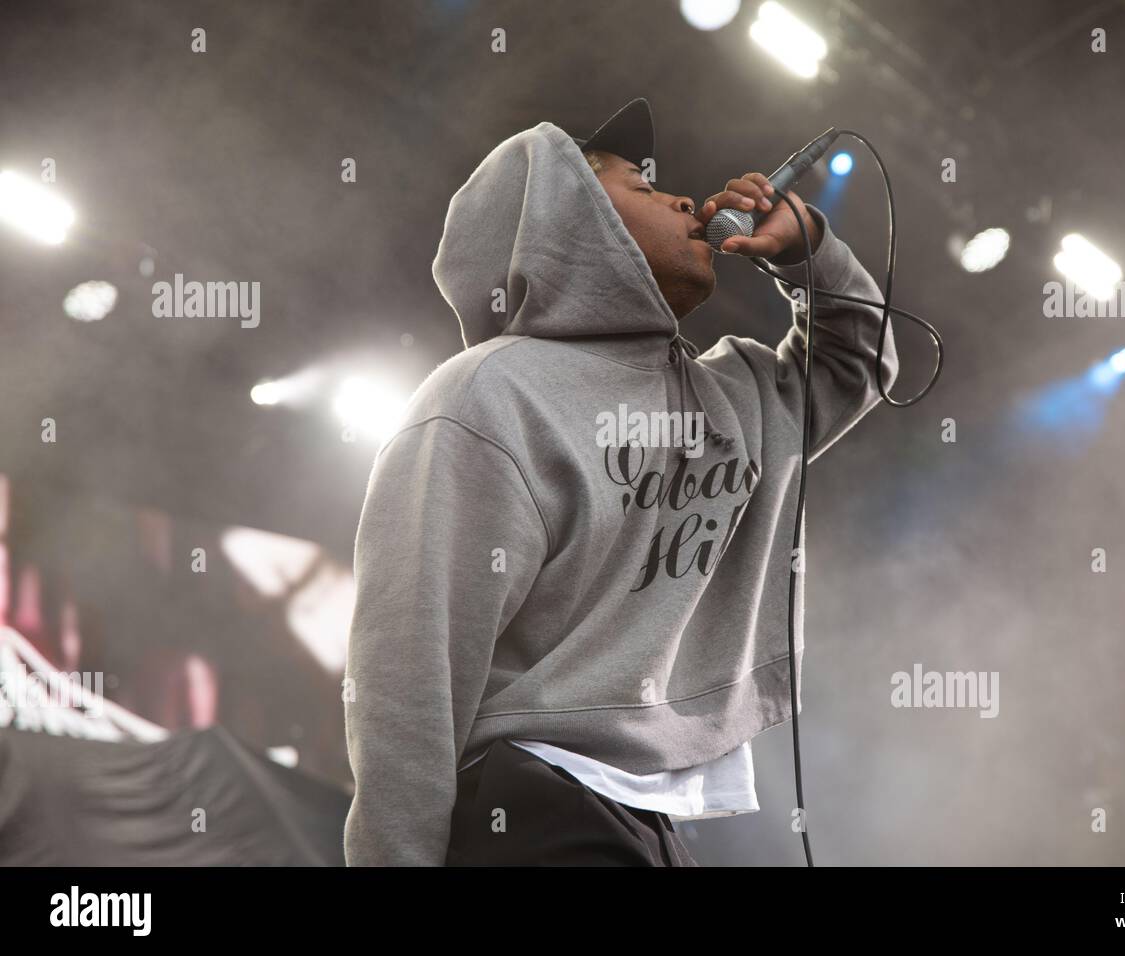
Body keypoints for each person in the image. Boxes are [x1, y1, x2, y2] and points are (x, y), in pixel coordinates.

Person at [342, 98, 898, 866]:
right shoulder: (486, 397)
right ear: (569, 222)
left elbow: (859, 365)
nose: (681, 197)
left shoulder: (731, 394)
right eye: (641, 187)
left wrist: (811, 255)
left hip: (647, 813)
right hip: (533, 808)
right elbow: (406, 682)